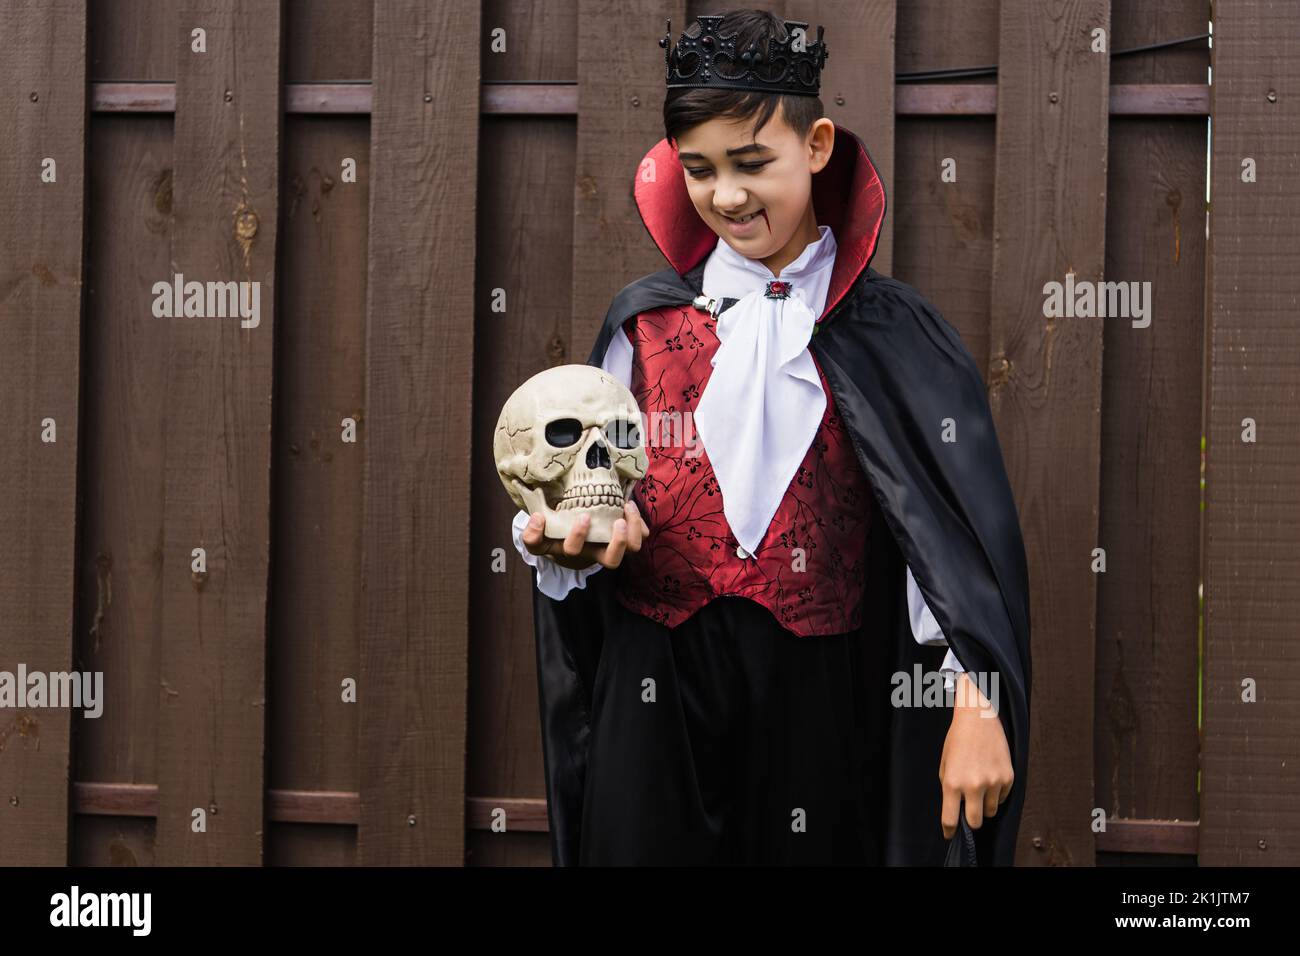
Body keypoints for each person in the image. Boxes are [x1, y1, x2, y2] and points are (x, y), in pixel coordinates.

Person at [512, 8, 1031, 865]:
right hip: (654, 703)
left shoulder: (891, 333)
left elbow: (945, 549)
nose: (728, 195)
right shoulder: (641, 326)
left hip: (822, 709)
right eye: (701, 170)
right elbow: (574, 488)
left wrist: (978, 699)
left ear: (818, 144)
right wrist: (569, 543)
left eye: (753, 164)